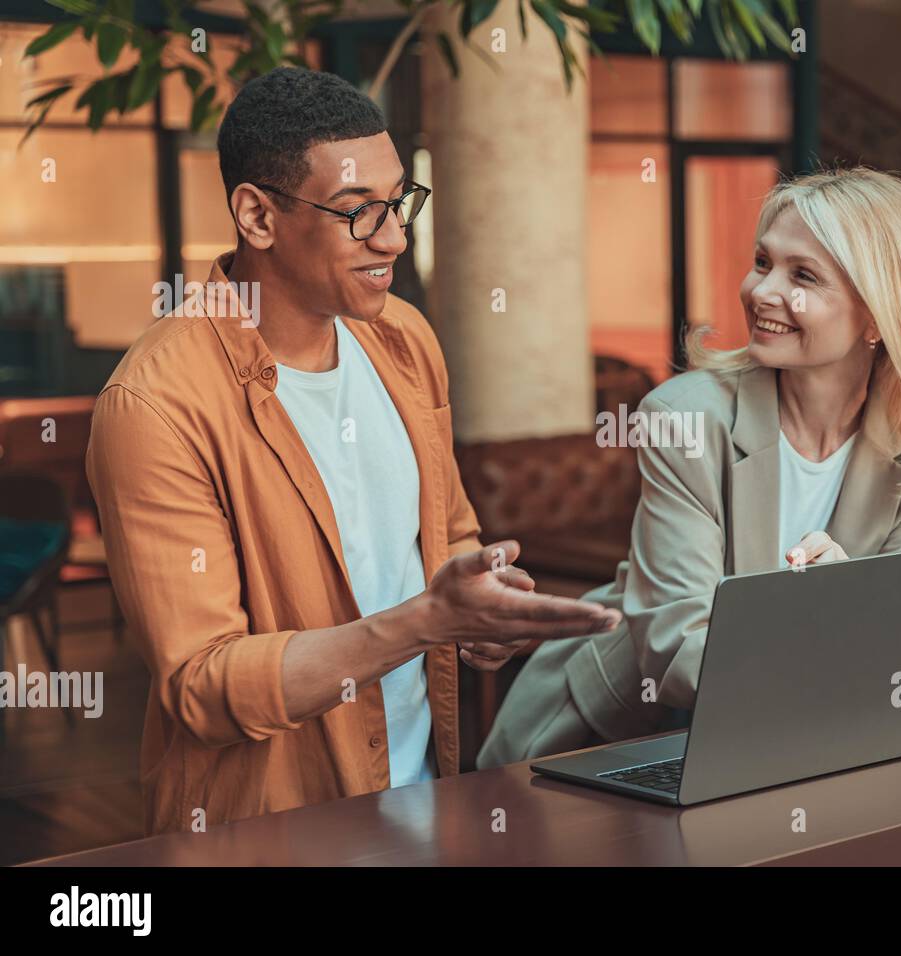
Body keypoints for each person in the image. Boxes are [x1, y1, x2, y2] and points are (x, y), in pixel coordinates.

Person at [85, 68, 620, 834]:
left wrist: (484, 610)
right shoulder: (155, 405)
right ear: (257, 217)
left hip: (425, 797)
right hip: (267, 829)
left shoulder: (402, 338)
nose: (395, 236)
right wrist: (425, 621)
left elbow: (447, 535)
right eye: (356, 212)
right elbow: (204, 686)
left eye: (398, 202)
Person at [480, 167, 901, 769]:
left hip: (806, 742)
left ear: (880, 316)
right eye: (762, 262)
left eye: (803, 275)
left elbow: (898, 641)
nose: (761, 291)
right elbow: (680, 650)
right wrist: (861, 672)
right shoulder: (683, 419)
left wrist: (895, 677)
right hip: (620, 741)